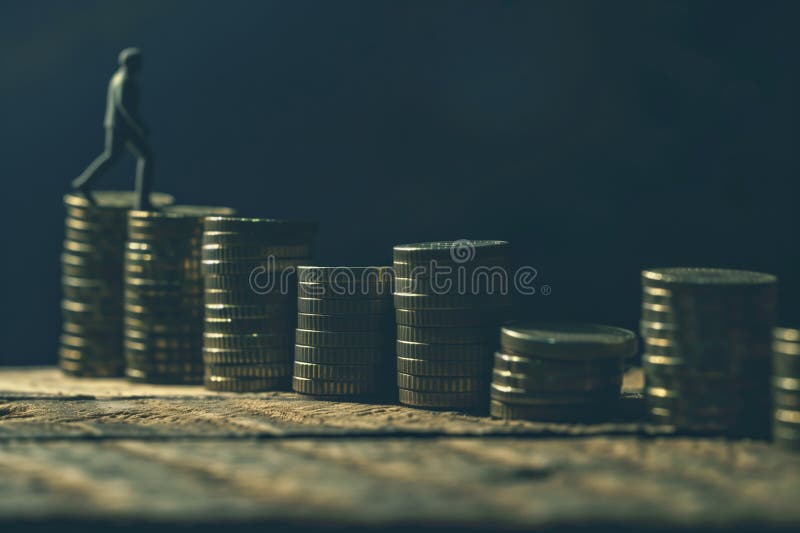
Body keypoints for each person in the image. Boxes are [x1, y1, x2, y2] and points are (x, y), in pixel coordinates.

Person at [72, 48, 154, 210]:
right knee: (147, 157)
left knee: (111, 156)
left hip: (115, 125)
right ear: (131, 63)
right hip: (122, 127)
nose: (141, 65)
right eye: (138, 62)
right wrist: (140, 127)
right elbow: (126, 108)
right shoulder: (125, 81)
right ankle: (142, 202)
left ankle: (83, 183)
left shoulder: (117, 77)